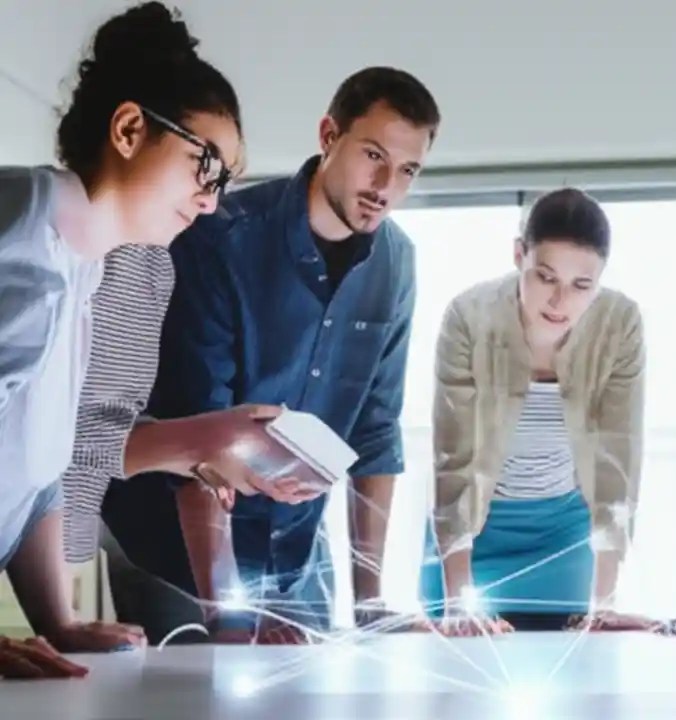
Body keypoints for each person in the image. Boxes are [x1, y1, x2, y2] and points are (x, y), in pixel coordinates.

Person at [100, 65, 441, 643]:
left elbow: (376, 432)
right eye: (374, 155)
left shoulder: (396, 263)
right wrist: (225, 613)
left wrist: (372, 601)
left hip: (297, 554)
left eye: (407, 169)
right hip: (177, 555)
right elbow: (195, 421)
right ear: (329, 135)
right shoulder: (220, 238)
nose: (387, 185)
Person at [0, 1, 245, 678]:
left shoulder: (82, 268)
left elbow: (36, 479)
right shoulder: (22, 243)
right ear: (130, 128)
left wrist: (59, 623)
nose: (211, 200)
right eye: (207, 166)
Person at [422, 188, 646, 635]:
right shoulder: (469, 316)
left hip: (562, 538)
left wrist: (603, 604)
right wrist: (457, 602)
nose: (560, 302)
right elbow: (453, 459)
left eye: (582, 285)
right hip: (472, 538)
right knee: (460, 681)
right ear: (518, 254)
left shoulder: (620, 323)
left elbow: (617, 465)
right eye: (545, 277)